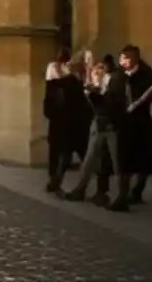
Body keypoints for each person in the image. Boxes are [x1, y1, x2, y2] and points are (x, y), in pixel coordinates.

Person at [61, 60, 130, 212]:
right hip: (98, 125)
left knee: (118, 162)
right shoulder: (93, 86)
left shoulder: (114, 83)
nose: (96, 75)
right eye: (94, 72)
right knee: (89, 159)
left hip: (112, 126)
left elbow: (115, 105)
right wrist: (92, 94)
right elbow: (95, 107)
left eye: (99, 71)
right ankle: (80, 189)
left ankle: (121, 197)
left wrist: (98, 94)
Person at [118, 45, 152, 204]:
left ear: (136, 58)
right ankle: (123, 193)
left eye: (129, 58)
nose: (125, 61)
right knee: (125, 159)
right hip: (124, 121)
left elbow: (150, 96)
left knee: (145, 157)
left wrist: (138, 103)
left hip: (141, 120)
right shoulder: (120, 73)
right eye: (124, 58)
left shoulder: (145, 73)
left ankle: (137, 190)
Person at [44, 56, 86, 193]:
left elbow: (47, 109)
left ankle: (56, 181)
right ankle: (77, 186)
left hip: (60, 126)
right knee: (76, 156)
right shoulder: (77, 85)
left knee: (61, 156)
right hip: (74, 127)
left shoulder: (53, 85)